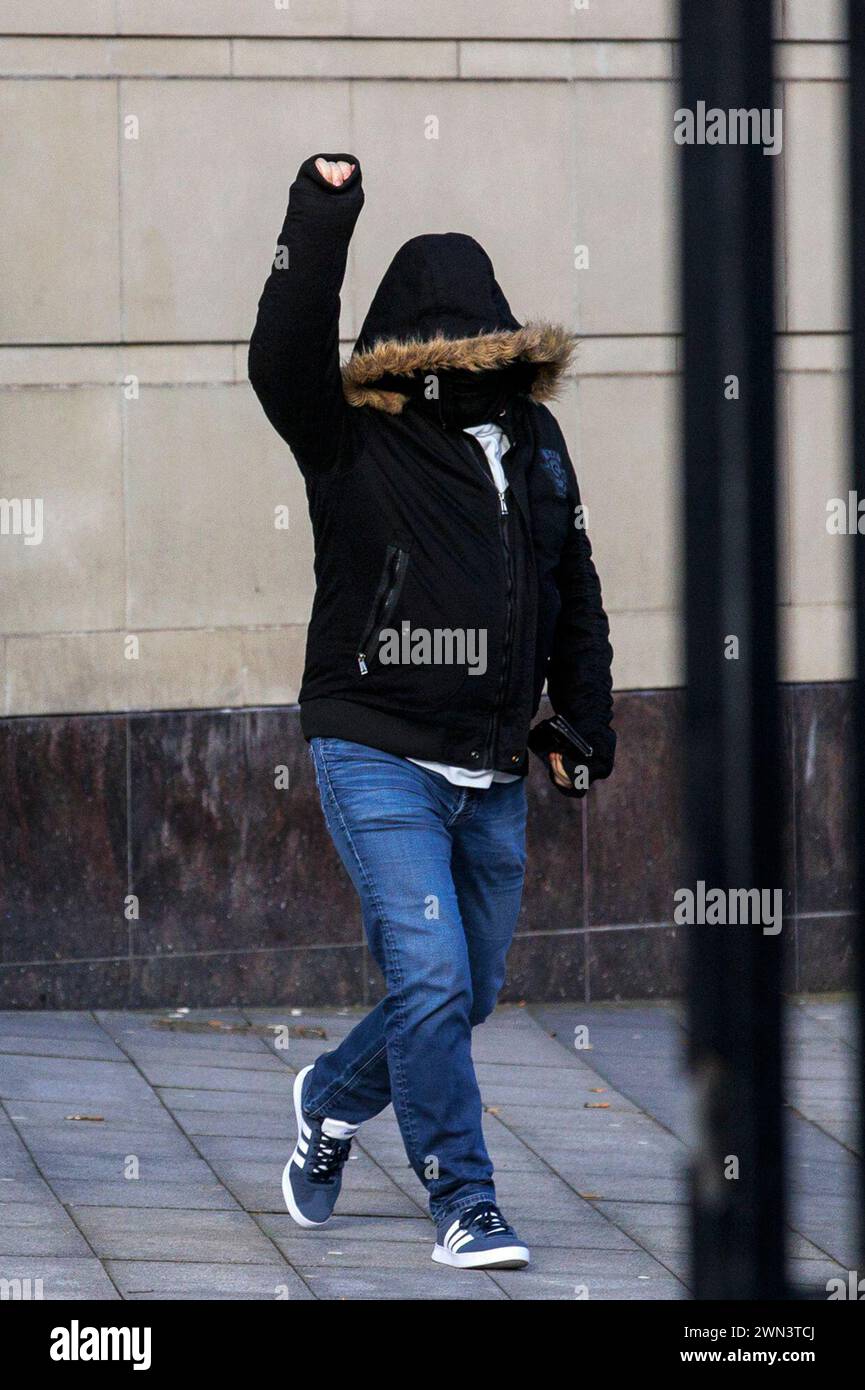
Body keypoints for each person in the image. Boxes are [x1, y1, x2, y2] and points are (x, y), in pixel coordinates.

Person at [249, 153, 615, 1271]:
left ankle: (326, 1094)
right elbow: (280, 353)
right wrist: (322, 210)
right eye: (452, 357)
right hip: (373, 740)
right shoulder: (353, 433)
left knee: (469, 985)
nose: (473, 373)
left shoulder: (536, 444)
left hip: (492, 760)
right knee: (431, 974)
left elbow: (574, 585)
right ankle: (464, 1198)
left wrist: (584, 728)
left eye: (490, 356)